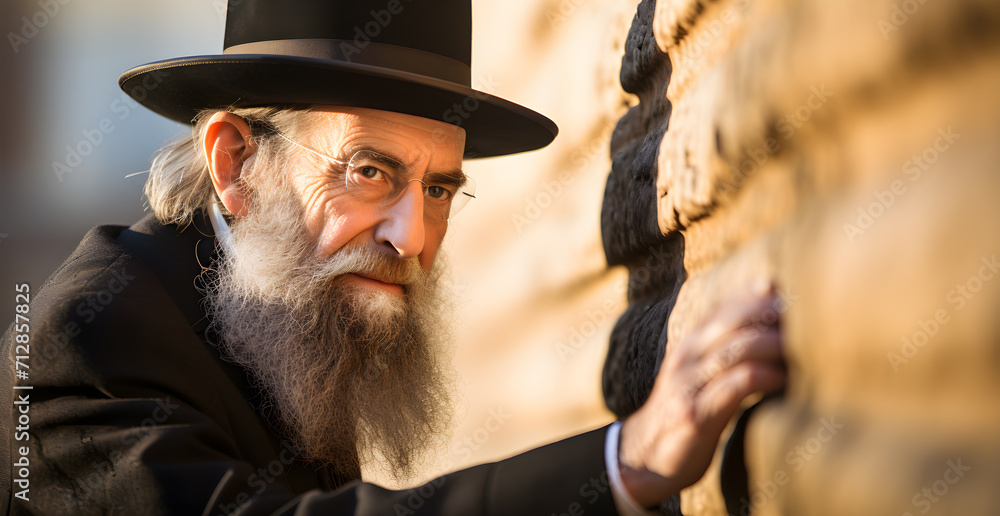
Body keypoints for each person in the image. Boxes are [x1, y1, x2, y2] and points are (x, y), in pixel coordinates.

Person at [1, 1, 786, 514]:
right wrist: (626, 460)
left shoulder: (290, 312)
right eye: (370, 172)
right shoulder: (80, 345)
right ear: (237, 163)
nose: (411, 237)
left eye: (440, 189)